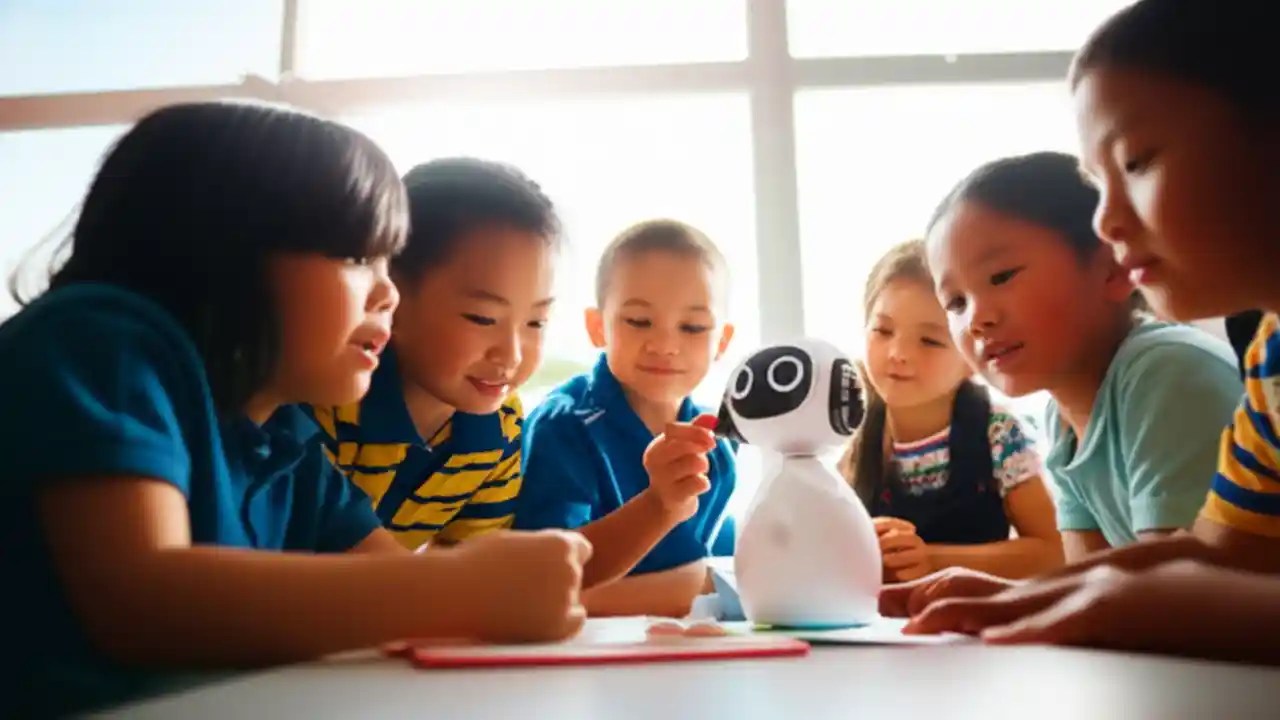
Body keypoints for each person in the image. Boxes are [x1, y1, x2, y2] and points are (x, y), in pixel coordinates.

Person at [1, 103, 590, 716]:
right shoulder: (101, 340)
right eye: (360, 259)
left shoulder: (285, 439)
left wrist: (496, 590)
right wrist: (467, 587)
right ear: (226, 251)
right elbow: (141, 602)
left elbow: (382, 583)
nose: (389, 293)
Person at [883, 0, 1280, 663]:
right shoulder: (1270, 357)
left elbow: (1203, 582)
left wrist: (1121, 604)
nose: (1107, 221)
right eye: (1098, 186)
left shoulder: (1165, 368)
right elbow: (1226, 552)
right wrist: (1030, 596)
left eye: (1139, 163)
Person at [925, 151, 1240, 560]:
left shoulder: (1168, 373)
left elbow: (1175, 595)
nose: (977, 319)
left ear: (1112, 267)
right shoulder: (1065, 419)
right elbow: (1090, 579)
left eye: (1001, 277)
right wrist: (993, 599)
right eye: (955, 303)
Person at [311, 158, 558, 549]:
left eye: (536, 323)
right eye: (482, 318)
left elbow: (466, 569)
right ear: (391, 296)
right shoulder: (331, 402)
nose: (511, 355)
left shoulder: (502, 425)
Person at [516, 219, 736, 616]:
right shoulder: (564, 427)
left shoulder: (717, 449)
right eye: (638, 321)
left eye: (692, 327)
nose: (665, 345)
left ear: (721, 341)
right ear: (598, 326)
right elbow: (543, 578)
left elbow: (711, 564)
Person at [839, 239, 1061, 582]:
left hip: (975, 624)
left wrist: (933, 559)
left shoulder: (997, 432)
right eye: (883, 331)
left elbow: (1053, 552)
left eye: (929, 341)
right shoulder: (849, 429)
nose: (898, 353)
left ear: (974, 355)